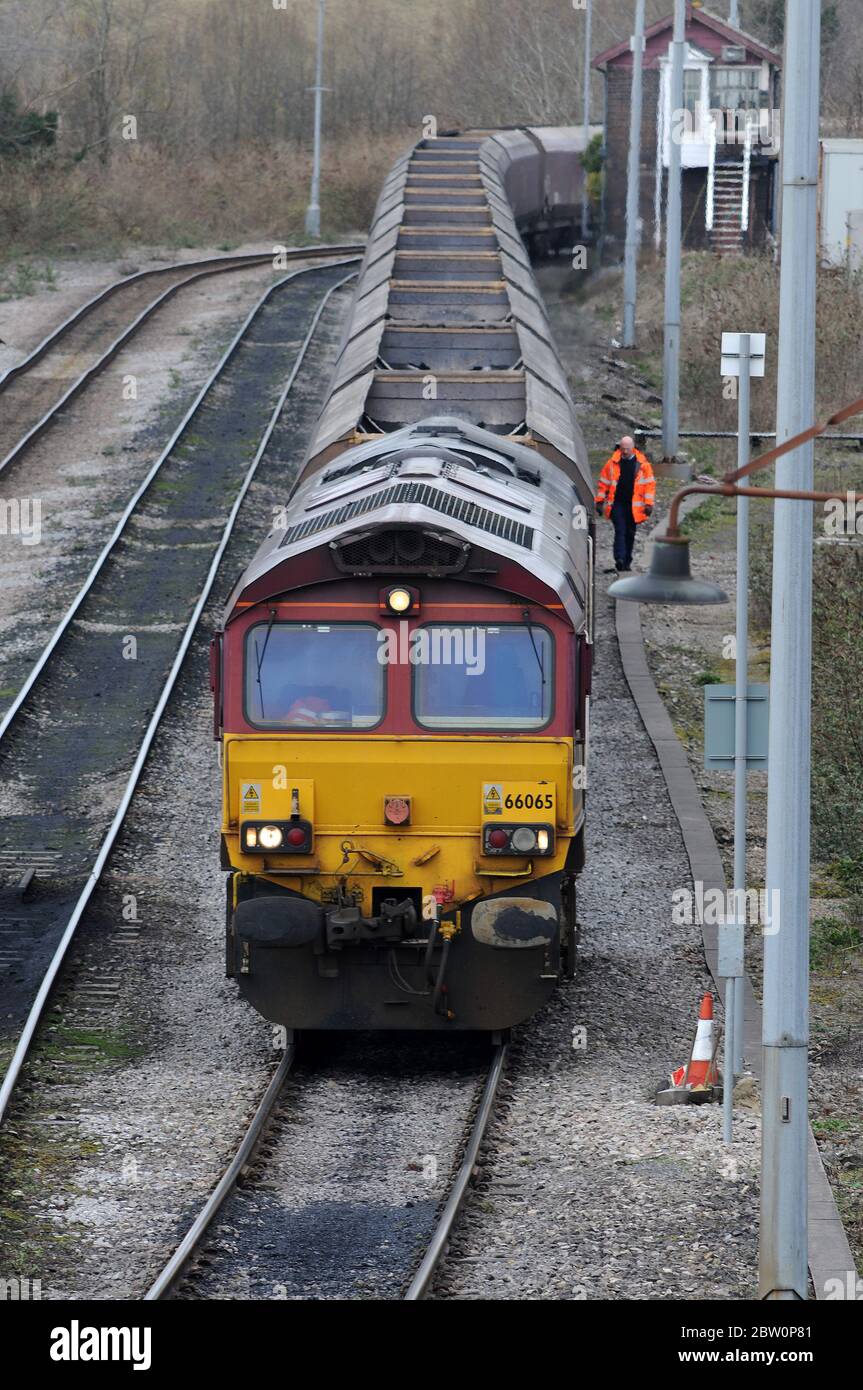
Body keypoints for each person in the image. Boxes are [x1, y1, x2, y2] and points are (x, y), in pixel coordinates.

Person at [595, 435, 656, 572]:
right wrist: (599, 501)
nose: (625, 451)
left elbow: (649, 486)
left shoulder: (643, 465)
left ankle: (627, 561)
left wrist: (648, 504)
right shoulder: (612, 464)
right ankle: (620, 558)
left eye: (628, 449)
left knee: (630, 533)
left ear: (633, 448)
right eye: (623, 449)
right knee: (620, 530)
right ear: (620, 448)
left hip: (634, 506)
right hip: (617, 504)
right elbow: (603, 483)